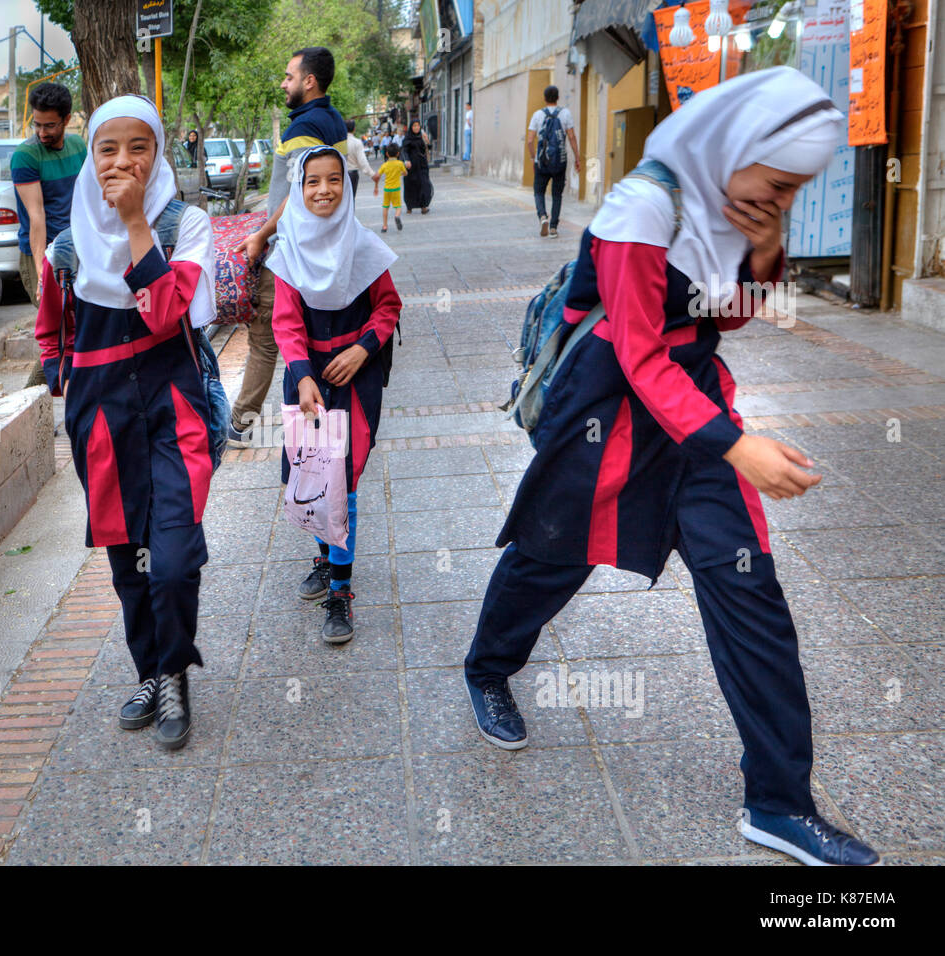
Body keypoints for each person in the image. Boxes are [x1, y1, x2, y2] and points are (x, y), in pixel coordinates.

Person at [462, 67, 880, 866]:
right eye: (779, 182)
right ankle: (488, 667)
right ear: (738, 146)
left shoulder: (734, 207)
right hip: (606, 413)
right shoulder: (642, 208)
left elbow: (726, 319)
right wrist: (738, 446)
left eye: (797, 190)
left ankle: (779, 802)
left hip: (693, 411)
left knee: (749, 591)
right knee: (549, 560)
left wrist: (763, 245)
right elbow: (638, 353)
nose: (782, 197)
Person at [33, 94, 217, 752]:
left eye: (139, 147)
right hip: (101, 413)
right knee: (127, 560)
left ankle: (174, 669)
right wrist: (60, 370)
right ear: (91, 156)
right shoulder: (68, 243)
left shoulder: (184, 226)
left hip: (173, 404)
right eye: (108, 148)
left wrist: (136, 221)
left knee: (170, 557)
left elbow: (167, 312)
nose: (122, 161)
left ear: (159, 153)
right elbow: (51, 322)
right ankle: (155, 672)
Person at [267, 147, 401, 642]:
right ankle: (326, 559)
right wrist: (303, 375)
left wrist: (362, 351)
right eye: (312, 182)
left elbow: (388, 307)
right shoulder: (289, 250)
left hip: (355, 378)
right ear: (298, 190)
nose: (323, 190)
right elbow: (285, 320)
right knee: (313, 473)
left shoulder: (363, 246)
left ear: (347, 188)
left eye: (334, 181)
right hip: (307, 382)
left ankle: (340, 593)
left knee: (343, 482)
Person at [234, 46, 348, 448]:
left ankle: (238, 424)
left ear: (308, 81)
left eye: (288, 76)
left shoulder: (302, 127)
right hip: (322, 245)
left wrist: (261, 235)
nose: (284, 84)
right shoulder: (332, 120)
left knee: (264, 341)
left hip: (290, 248)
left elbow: (302, 192)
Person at [12, 82, 87, 306]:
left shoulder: (77, 146)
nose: (42, 133)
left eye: (50, 125)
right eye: (37, 125)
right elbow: (36, 216)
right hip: (42, 251)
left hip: (77, 244)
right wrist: (40, 271)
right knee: (55, 323)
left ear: (67, 119)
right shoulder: (26, 156)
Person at [526, 84, 580, 239]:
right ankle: (554, 228)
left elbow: (530, 141)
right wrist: (577, 158)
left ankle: (543, 216)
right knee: (557, 195)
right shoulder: (565, 114)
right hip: (559, 161)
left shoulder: (537, 115)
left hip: (542, 161)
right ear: (558, 98)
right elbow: (571, 137)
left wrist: (533, 157)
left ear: (544, 98)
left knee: (538, 191)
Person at [372, 143, 407, 233]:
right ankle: (397, 216)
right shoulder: (400, 164)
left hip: (387, 189)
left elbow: (377, 176)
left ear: (387, 154)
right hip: (396, 189)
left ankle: (384, 226)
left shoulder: (385, 165)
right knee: (398, 206)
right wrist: (402, 172)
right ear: (398, 154)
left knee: (385, 207)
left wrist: (376, 187)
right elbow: (405, 173)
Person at [401, 120, 432, 214]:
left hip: (422, 165)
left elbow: (428, 148)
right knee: (411, 186)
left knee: (425, 184)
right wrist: (406, 160)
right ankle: (409, 206)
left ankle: (424, 206)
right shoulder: (407, 138)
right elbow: (404, 151)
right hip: (411, 166)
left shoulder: (422, 137)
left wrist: (427, 141)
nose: (416, 128)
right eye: (414, 126)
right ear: (411, 127)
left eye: (418, 126)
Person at [343, 118, 374, 196]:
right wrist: (372, 174)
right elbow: (362, 161)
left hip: (340, 174)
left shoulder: (338, 142)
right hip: (352, 174)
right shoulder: (356, 142)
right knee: (350, 200)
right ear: (354, 129)